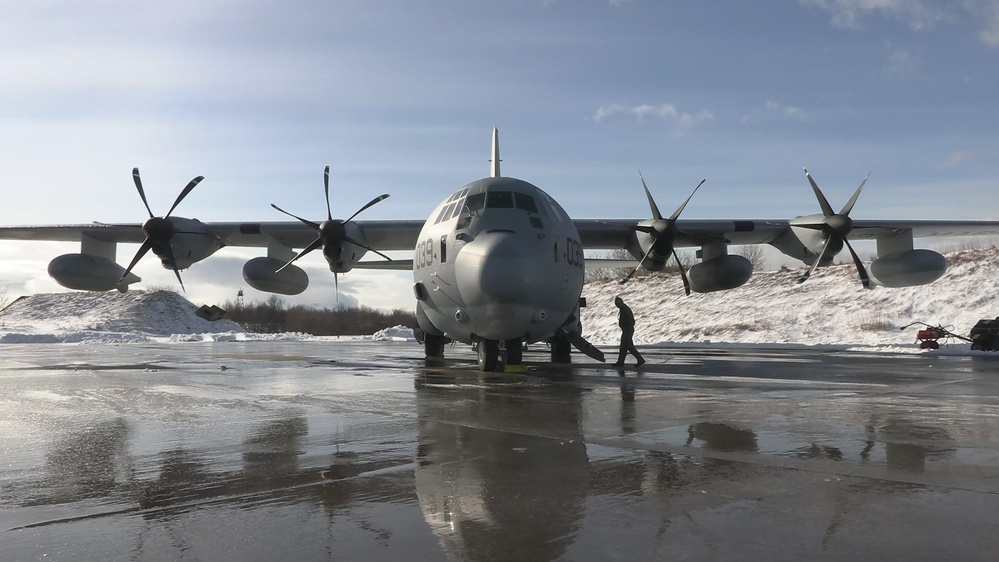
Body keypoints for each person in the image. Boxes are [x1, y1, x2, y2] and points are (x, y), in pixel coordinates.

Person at [613, 296, 645, 367]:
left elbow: (630, 321)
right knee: (623, 347)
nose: (616, 305)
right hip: (627, 330)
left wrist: (625, 326)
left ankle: (640, 360)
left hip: (627, 330)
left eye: (617, 303)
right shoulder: (623, 308)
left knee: (628, 346)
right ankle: (620, 362)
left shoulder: (624, 309)